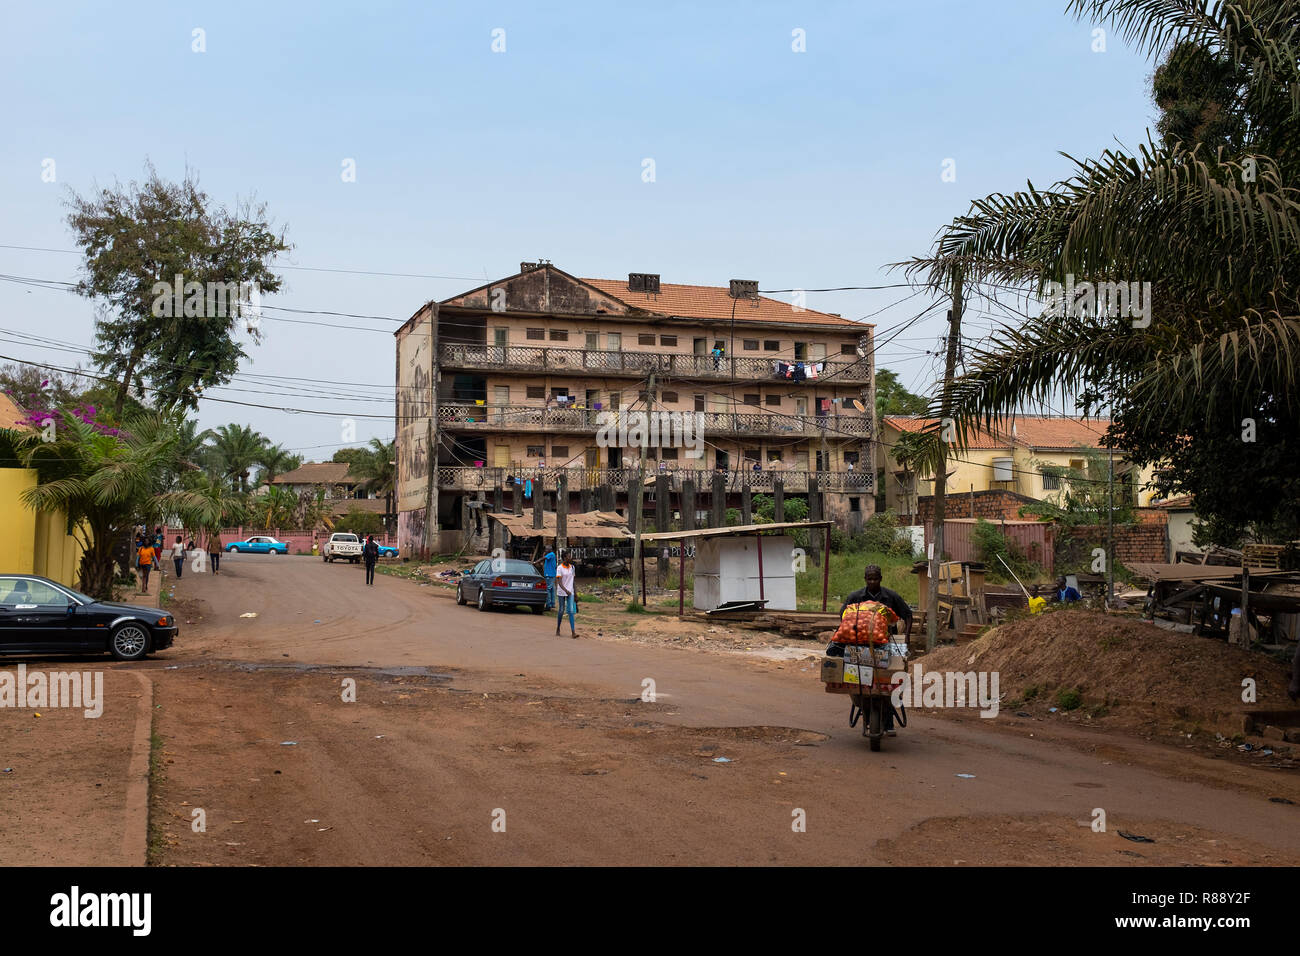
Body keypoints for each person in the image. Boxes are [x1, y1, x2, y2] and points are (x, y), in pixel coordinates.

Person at [838, 564, 913, 736]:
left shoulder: (890, 596)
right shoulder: (856, 596)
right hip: (860, 643)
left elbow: (908, 615)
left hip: (887, 642)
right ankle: (866, 711)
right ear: (865, 579)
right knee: (862, 679)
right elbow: (842, 615)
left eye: (875, 578)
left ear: (881, 578)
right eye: (869, 579)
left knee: (891, 677)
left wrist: (907, 636)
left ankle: (888, 720)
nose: (872, 581)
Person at [555, 550, 577, 638]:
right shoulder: (560, 568)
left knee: (571, 611)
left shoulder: (572, 567)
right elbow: (559, 582)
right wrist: (565, 590)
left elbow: (573, 581)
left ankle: (573, 632)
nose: (570, 558)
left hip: (570, 591)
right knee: (561, 610)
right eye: (568, 556)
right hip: (561, 591)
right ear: (564, 558)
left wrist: (575, 593)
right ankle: (558, 628)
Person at [541, 545, 558, 610]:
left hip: (549, 575)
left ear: (550, 549)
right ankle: (552, 604)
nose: (545, 550)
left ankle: (548, 605)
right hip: (551, 574)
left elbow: (543, 559)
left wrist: (534, 562)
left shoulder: (550, 554)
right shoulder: (551, 555)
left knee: (548, 589)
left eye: (546, 549)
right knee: (552, 589)